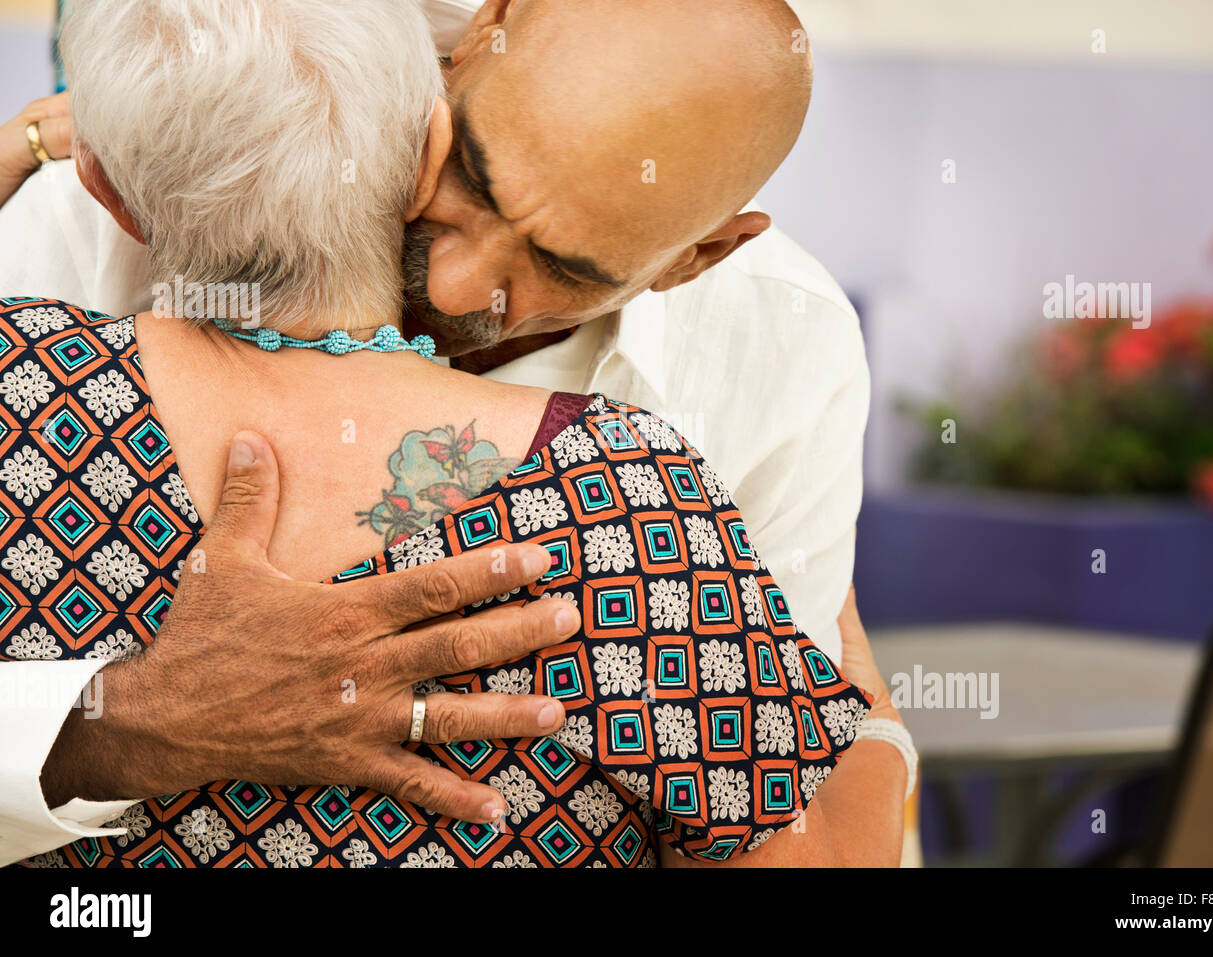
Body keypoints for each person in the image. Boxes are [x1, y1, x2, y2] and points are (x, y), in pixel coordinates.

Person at [1, 0, 908, 867]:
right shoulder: (181, 153)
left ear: (696, 260)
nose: (458, 291)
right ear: (482, 33)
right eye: (471, 177)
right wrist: (880, 733)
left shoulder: (781, 353)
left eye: (562, 269)